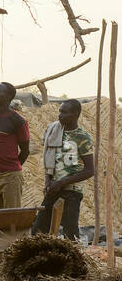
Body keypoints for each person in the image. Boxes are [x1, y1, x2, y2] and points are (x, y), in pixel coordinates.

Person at [33, 98, 95, 240]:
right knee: (39, 229)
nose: (59, 115)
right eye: (60, 111)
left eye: (64, 112)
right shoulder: (54, 131)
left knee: (70, 233)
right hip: (54, 188)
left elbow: (89, 170)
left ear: (75, 114)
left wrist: (62, 182)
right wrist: (48, 182)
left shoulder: (82, 137)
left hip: (72, 191)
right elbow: (49, 161)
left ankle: (72, 261)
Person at [0, 82, 30, 212]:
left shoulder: (17, 120)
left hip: (10, 177)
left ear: (8, 97)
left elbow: (25, 151)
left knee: (11, 219)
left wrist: (11, 171)